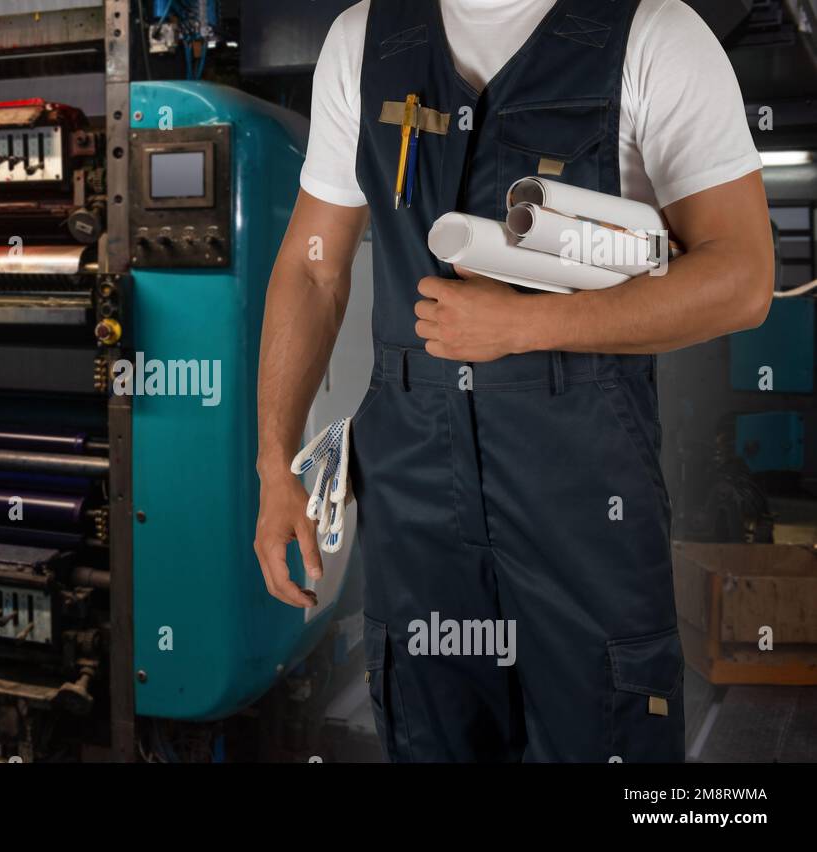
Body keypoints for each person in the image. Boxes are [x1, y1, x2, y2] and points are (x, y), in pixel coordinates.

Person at [253, 0, 773, 762]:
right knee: (431, 737)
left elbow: (743, 278)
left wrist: (530, 327)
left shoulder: (654, 34)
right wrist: (274, 464)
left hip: (586, 498)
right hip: (415, 502)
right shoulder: (363, 41)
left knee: (601, 731)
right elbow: (311, 266)